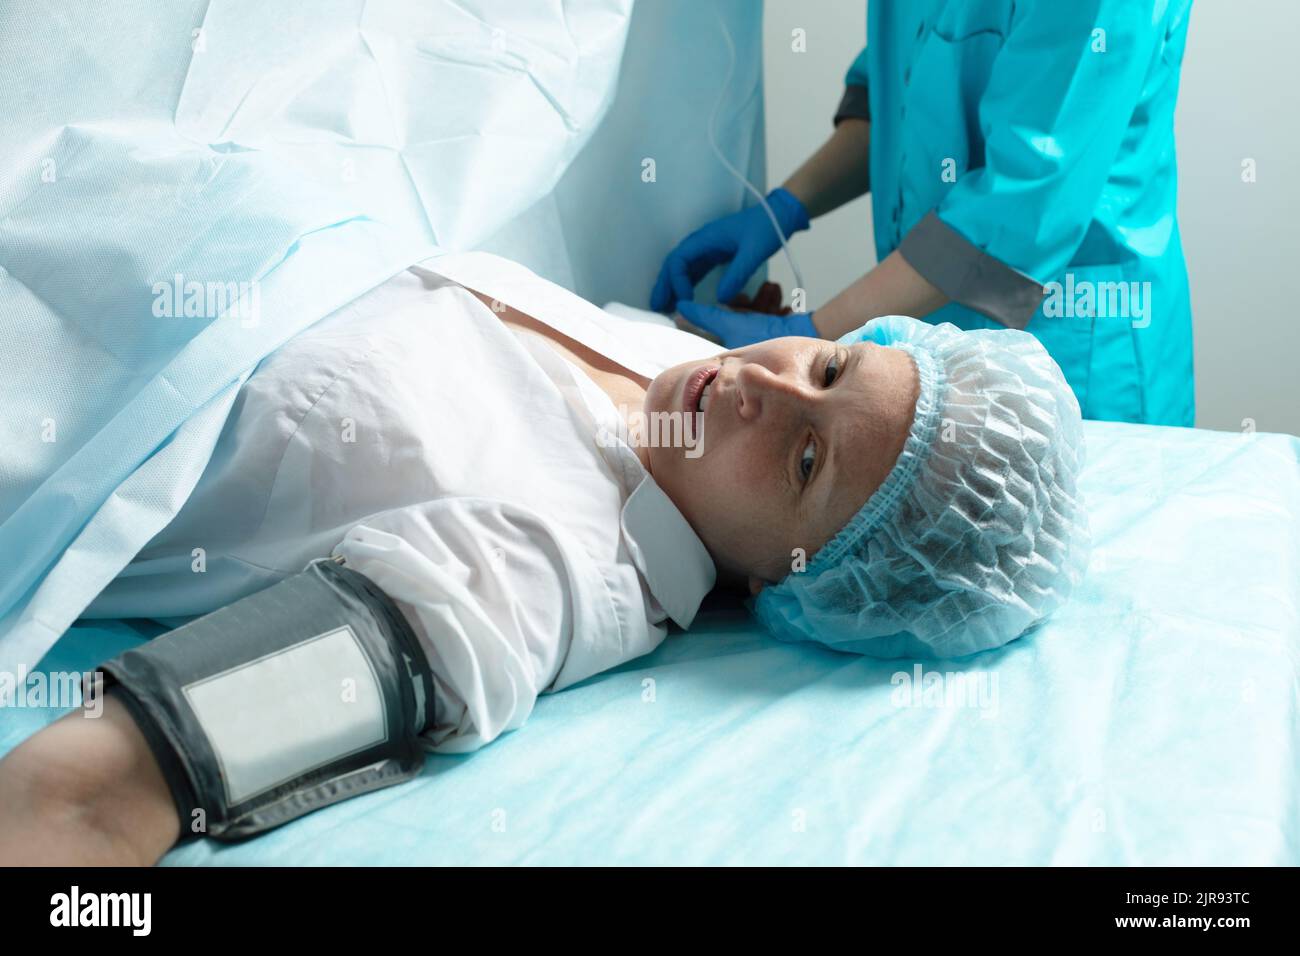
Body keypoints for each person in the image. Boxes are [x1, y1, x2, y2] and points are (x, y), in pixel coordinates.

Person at [0, 251, 1088, 864]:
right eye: (833, 363)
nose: (766, 381)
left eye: (806, 459)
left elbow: (89, 800)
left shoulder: (528, 576)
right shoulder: (688, 369)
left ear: (791, 579)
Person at [653, 0, 1195, 427]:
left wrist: (806, 337)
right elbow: (892, 94)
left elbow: (1019, 211)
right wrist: (783, 209)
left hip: (1076, 352)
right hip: (931, 332)